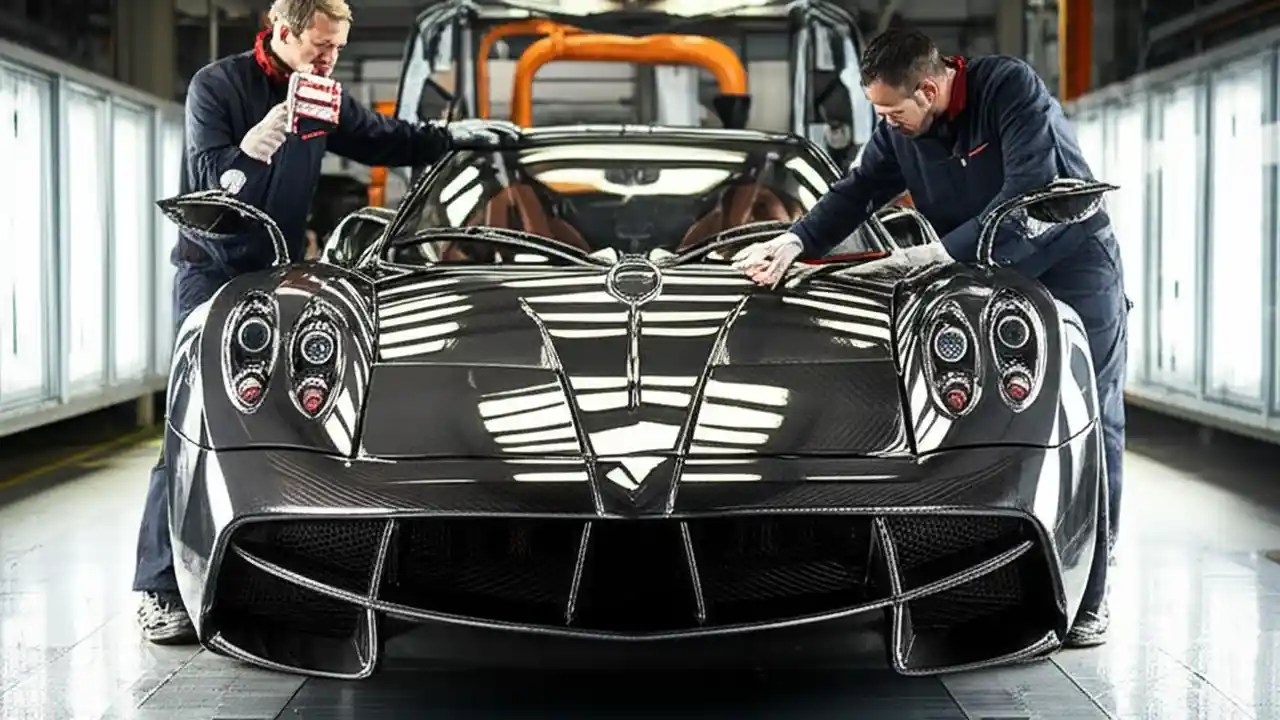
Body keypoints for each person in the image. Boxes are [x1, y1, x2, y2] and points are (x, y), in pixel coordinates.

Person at [731, 29, 1125, 647]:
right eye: (878, 113)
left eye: (893, 111)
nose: (887, 123)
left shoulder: (1009, 90)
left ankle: (1092, 598)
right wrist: (796, 240)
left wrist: (934, 255)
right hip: (981, 272)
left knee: (1090, 418)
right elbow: (856, 190)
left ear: (932, 87)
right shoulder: (899, 129)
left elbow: (1029, 194)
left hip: (1073, 259)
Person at [133, 0, 501, 644]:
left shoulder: (323, 96)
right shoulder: (217, 86)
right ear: (283, 31)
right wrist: (248, 153)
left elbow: (386, 140)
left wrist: (454, 136)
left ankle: (283, 569)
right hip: (212, 271)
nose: (332, 58)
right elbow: (206, 182)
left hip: (280, 271)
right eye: (322, 45)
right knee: (193, 418)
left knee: (286, 417)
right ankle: (160, 588)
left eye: (338, 47)